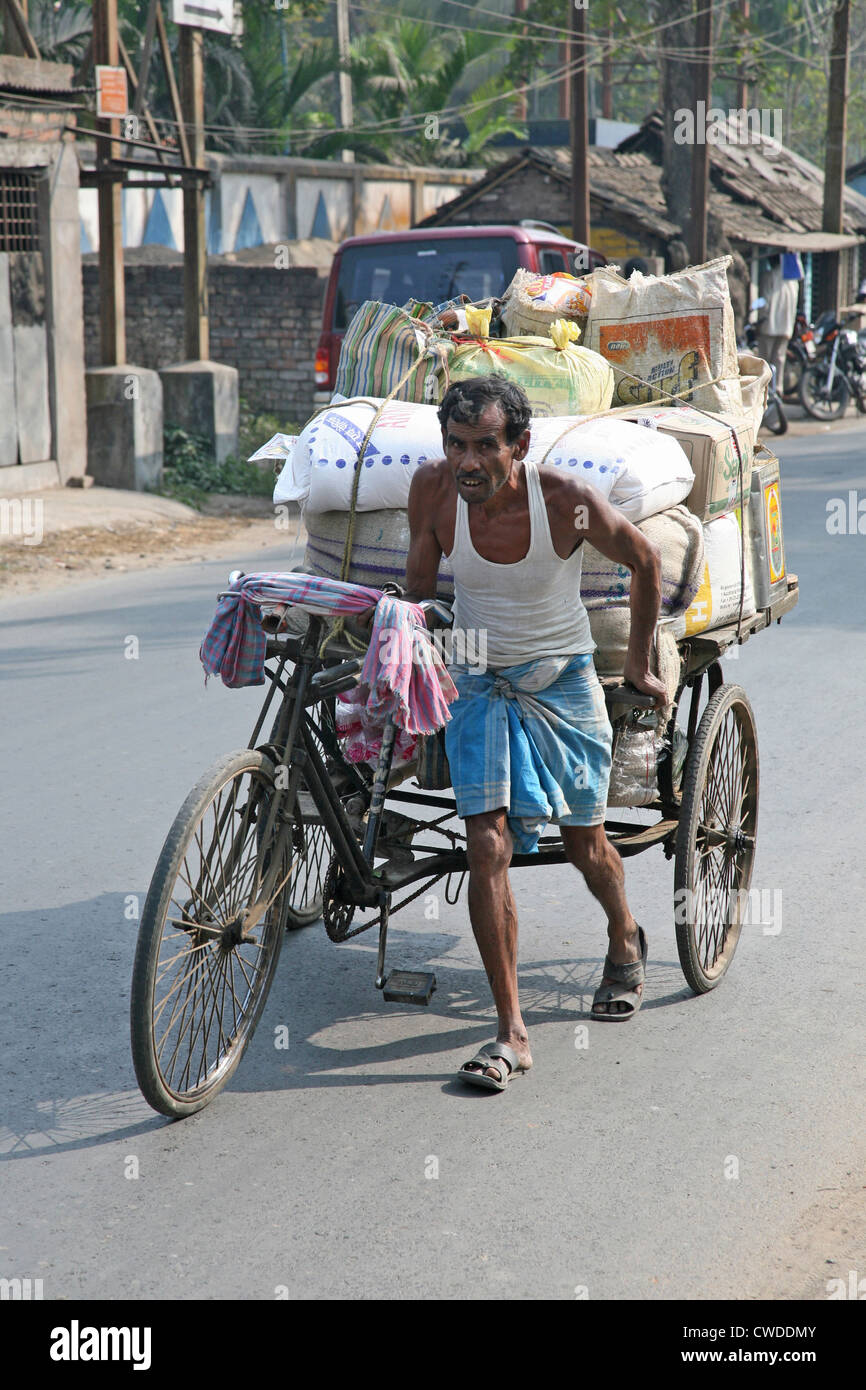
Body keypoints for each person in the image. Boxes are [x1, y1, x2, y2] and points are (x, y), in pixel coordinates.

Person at [403, 374, 666, 1092]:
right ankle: (511, 1033)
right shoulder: (432, 493)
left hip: (562, 678)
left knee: (586, 844)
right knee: (485, 843)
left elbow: (645, 559)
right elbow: (419, 594)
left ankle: (624, 932)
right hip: (478, 679)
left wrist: (638, 662)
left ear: (518, 444)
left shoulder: (565, 503)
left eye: (485, 446)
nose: (468, 463)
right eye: (456, 445)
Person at [757, 253, 800, 389]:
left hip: (769, 326)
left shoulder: (769, 276)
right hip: (786, 327)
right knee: (779, 359)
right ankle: (778, 388)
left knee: (764, 362)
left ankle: (763, 390)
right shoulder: (793, 281)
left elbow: (765, 303)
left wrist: (759, 322)